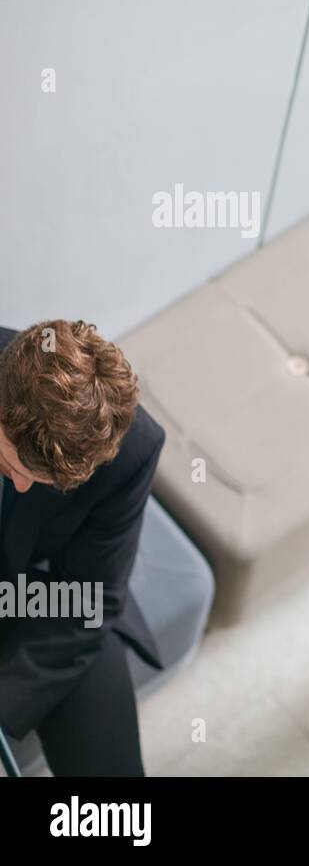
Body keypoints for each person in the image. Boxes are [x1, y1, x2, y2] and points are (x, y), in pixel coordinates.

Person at [0, 319, 165, 776]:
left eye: (43, 481)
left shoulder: (133, 449)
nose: (20, 484)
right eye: (10, 464)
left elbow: (90, 597)